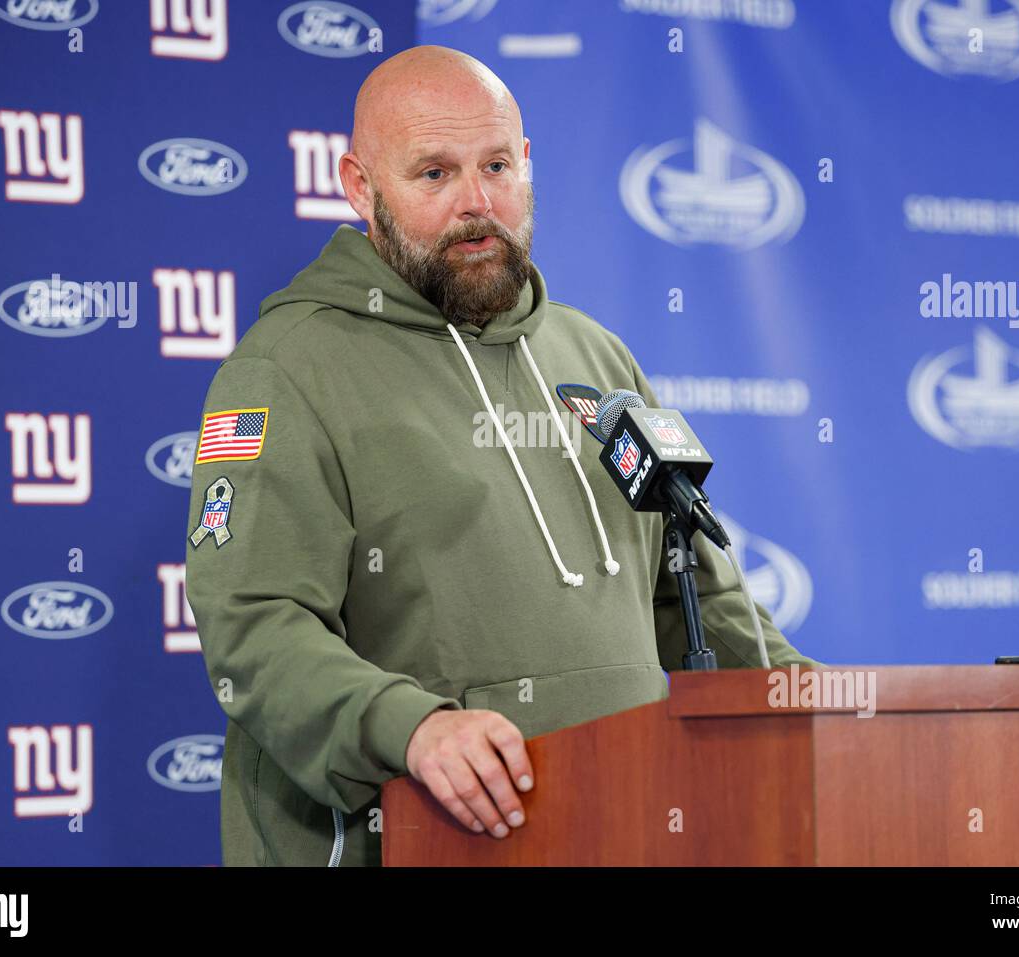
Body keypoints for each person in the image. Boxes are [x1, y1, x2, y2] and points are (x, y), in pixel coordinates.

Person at [184, 45, 819, 867]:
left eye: (495, 165)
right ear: (358, 187)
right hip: (414, 841)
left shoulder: (595, 357)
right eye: (434, 174)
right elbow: (254, 627)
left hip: (619, 823)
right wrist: (410, 728)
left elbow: (692, 592)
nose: (476, 203)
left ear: (527, 166)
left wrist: (818, 702)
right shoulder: (284, 369)